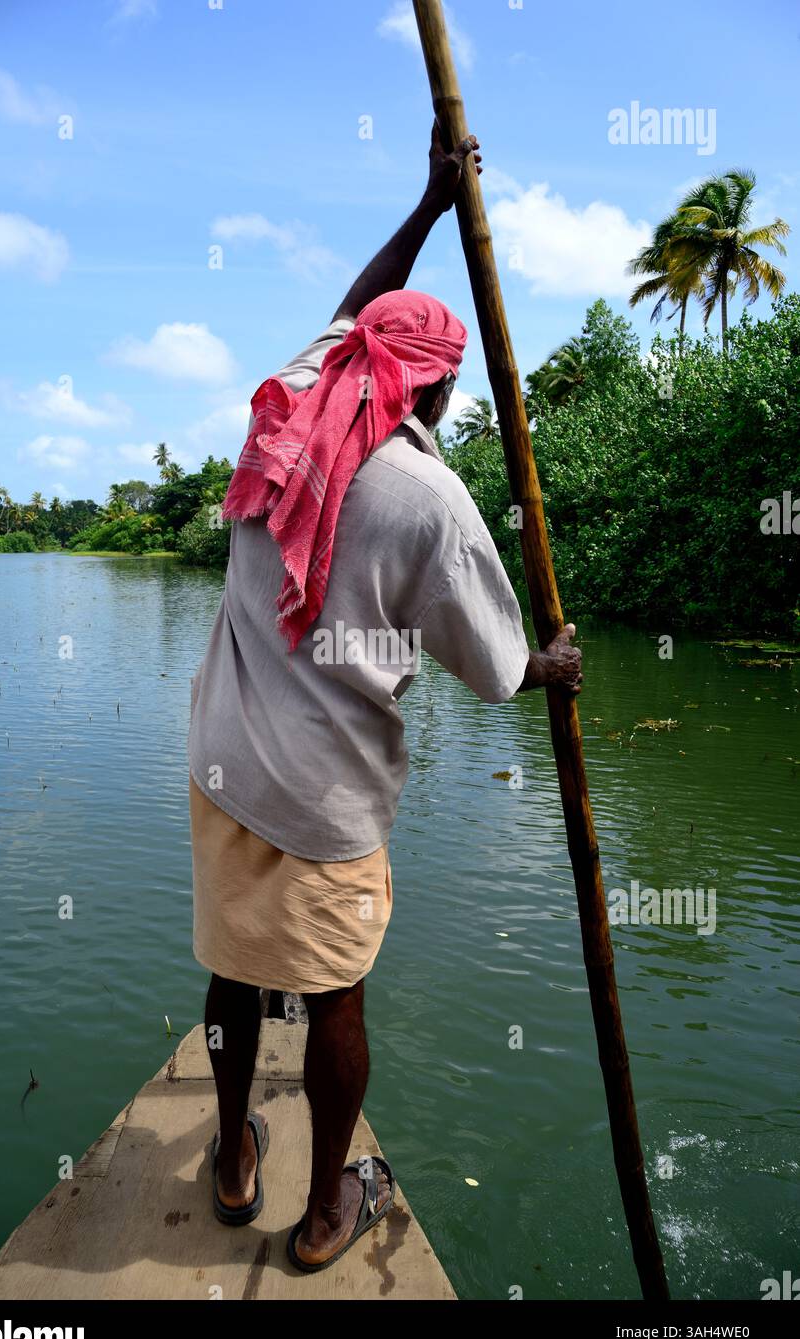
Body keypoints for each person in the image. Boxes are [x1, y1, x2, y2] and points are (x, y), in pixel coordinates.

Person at [188, 123, 583, 1273]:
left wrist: (424, 206)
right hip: (324, 797)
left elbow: (358, 306)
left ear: (359, 353)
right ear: (442, 383)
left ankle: (230, 1157)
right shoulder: (429, 498)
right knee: (337, 994)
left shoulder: (289, 408)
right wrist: (553, 663)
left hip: (223, 759)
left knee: (232, 967)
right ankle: (322, 1216)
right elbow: (499, 667)